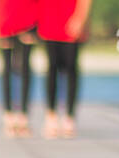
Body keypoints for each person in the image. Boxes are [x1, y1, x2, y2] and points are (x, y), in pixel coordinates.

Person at [38, 0, 93, 139]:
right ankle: (51, 116)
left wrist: (80, 17)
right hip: (48, 16)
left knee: (71, 68)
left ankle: (69, 117)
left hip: (71, 17)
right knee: (51, 68)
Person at [0, 1, 39, 137]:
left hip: (29, 13)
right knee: (7, 67)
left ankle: (24, 116)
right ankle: (8, 116)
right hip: (6, 13)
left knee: (25, 66)